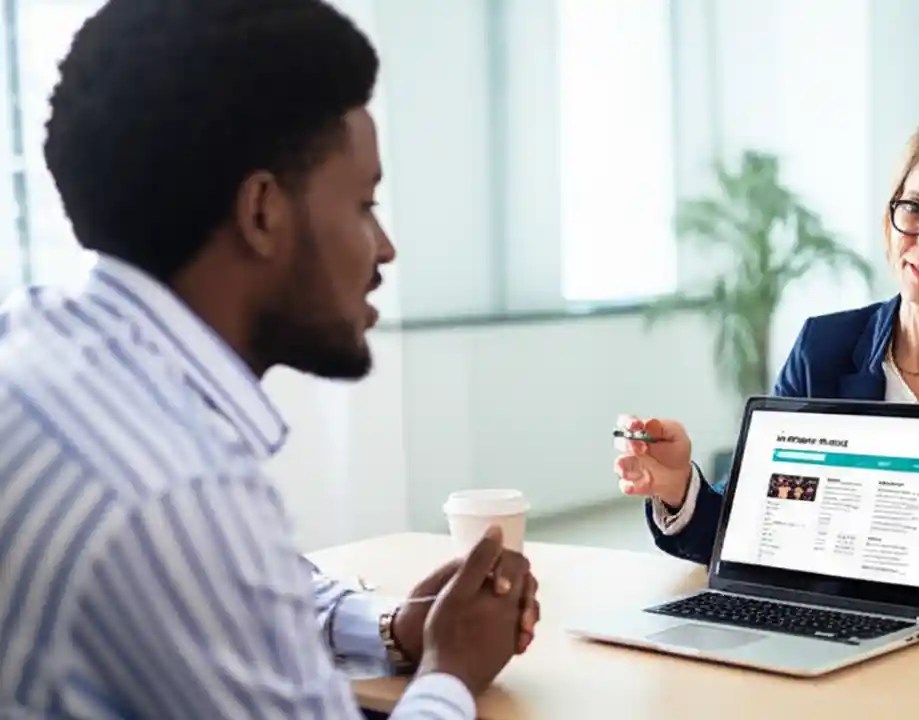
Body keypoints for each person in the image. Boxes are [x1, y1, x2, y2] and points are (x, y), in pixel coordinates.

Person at [0, 1, 536, 718]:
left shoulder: (41, 344)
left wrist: (389, 627)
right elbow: (193, 541)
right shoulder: (177, 491)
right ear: (261, 212)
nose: (384, 248)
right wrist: (451, 671)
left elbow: (222, 587)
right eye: (364, 204)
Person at [615, 107, 919, 594]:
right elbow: (750, 524)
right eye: (914, 208)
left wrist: (872, 551)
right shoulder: (823, 347)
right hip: (822, 627)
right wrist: (679, 487)